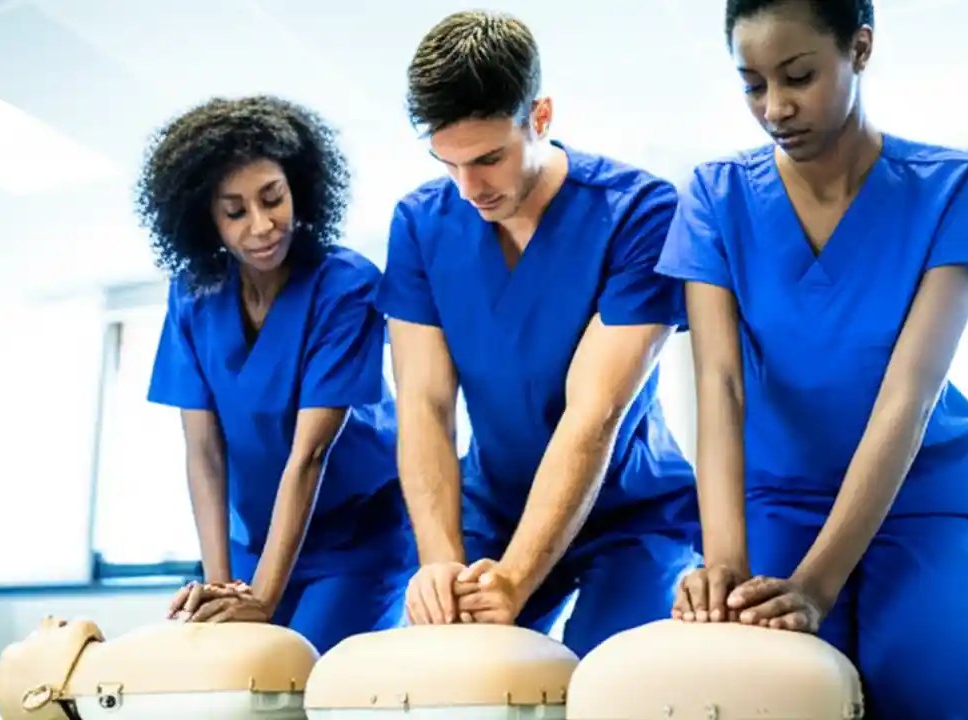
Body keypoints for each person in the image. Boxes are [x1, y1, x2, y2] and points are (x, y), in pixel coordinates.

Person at [657, 1, 968, 717]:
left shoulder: (952, 190)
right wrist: (725, 563)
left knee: (926, 692)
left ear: (859, 48)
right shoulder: (715, 195)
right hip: (778, 495)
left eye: (798, 76)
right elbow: (720, 387)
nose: (775, 107)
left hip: (922, 496)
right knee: (776, 691)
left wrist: (816, 586)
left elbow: (908, 396)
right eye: (752, 84)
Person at [375, 9, 701, 658]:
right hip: (491, 508)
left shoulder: (639, 211)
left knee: (613, 676)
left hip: (628, 512)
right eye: (449, 163)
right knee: (452, 673)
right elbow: (424, 405)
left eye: (489, 158)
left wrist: (519, 579)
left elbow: (595, 411)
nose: (469, 188)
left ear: (541, 117)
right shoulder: (419, 223)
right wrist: (441, 564)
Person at [135, 95, 413, 653]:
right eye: (235, 211)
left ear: (299, 189)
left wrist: (261, 599)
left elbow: (310, 454)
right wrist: (224, 586)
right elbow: (204, 453)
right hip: (255, 541)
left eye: (273, 199)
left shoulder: (346, 285)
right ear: (205, 218)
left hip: (355, 539)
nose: (262, 226)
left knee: (294, 676)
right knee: (227, 668)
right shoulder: (193, 295)